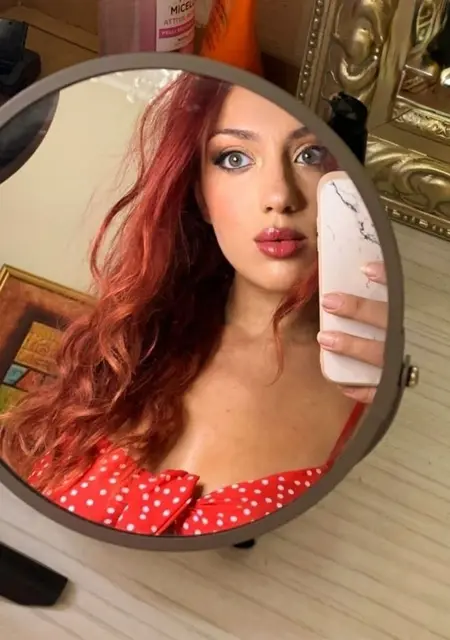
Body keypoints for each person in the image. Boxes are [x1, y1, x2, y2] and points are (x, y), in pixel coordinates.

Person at [0, 73, 387, 536]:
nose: (280, 197)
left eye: (311, 154)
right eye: (235, 158)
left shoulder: (370, 394)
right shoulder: (128, 344)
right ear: (201, 196)